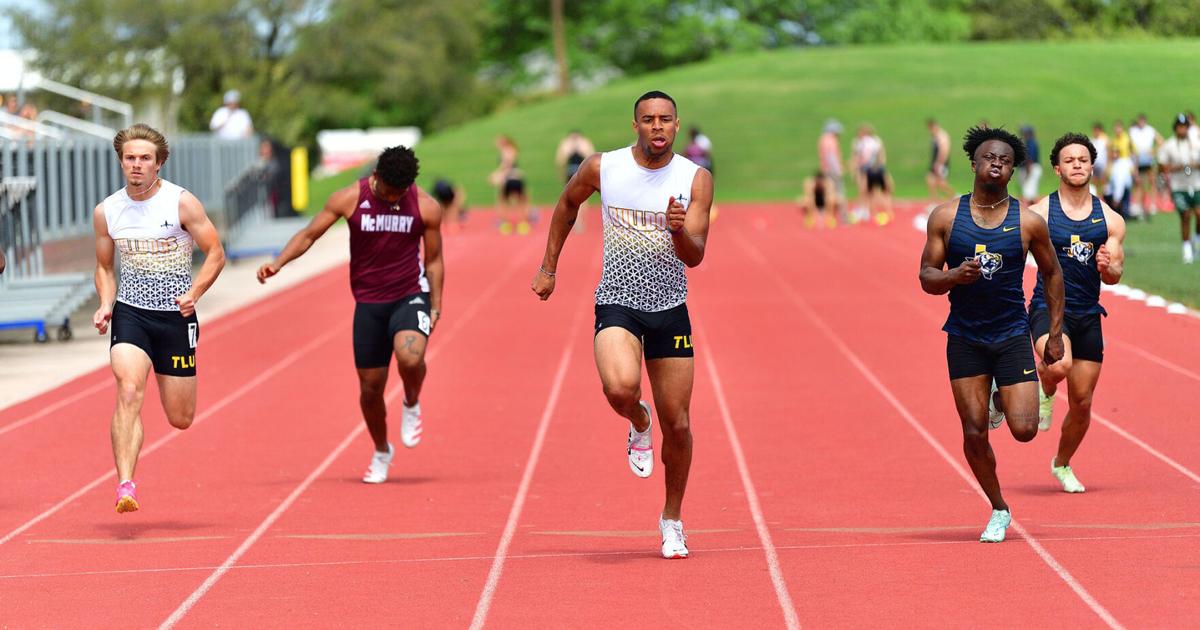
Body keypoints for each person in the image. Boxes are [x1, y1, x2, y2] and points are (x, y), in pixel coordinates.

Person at [531, 90, 713, 559]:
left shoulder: (696, 179)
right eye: (648, 119)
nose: (657, 126)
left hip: (670, 308)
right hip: (619, 301)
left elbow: (694, 256)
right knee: (619, 389)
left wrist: (676, 230)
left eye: (666, 119)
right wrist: (549, 266)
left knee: (679, 423)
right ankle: (637, 420)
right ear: (635, 125)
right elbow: (566, 205)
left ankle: (672, 520)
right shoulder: (603, 167)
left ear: (677, 126)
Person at [257, 146, 444, 483]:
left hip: (409, 294)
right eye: (389, 191)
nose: (394, 197)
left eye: (401, 192)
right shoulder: (349, 199)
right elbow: (310, 234)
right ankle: (381, 450)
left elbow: (433, 260)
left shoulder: (426, 206)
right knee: (371, 388)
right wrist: (278, 262)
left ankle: (411, 402)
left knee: (411, 358)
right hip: (369, 303)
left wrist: (436, 302)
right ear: (376, 177)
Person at [918, 125, 1064, 543]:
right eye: (989, 157)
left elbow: (1053, 275)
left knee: (1024, 430)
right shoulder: (946, 217)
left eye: (1004, 159)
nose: (996, 163)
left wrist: (1054, 334)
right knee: (973, 432)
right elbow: (926, 276)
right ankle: (999, 508)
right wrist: (953, 277)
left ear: (1013, 169)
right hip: (964, 337)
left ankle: (1002, 397)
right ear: (974, 162)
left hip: (1011, 334)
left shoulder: (1029, 221)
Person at [93, 124, 227, 513]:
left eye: (145, 158)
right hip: (131, 314)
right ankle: (125, 485)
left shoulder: (181, 203)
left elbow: (215, 252)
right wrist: (105, 303)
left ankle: (128, 477)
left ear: (159, 163)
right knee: (129, 390)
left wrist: (195, 293)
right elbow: (103, 267)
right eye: (130, 158)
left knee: (181, 417)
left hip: (174, 318)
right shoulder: (107, 211)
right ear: (121, 161)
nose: (137, 165)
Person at [1024, 132, 1126, 493]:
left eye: (1083, 159)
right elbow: (1011, 258)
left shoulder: (1110, 220)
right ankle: (1047, 387)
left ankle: (1062, 464)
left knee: (1083, 402)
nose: (1077, 165)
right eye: (1069, 160)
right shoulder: (1039, 213)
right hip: (1047, 308)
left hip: (1087, 314)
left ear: (1092, 166)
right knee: (1060, 365)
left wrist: (1107, 267)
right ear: (1057, 168)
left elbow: (1115, 276)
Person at [1157, 114, 1200, 263]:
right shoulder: (1169, 145)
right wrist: (1177, 167)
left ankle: (1197, 239)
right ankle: (1187, 248)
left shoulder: (1196, 143)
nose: (1182, 130)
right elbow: (1162, 166)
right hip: (1178, 186)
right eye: (1179, 127)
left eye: (1184, 127)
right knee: (1186, 215)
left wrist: (1194, 165)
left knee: (1199, 214)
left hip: (1196, 184)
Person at [850, 123, 893, 225]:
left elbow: (860, 157)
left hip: (869, 169)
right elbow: (881, 156)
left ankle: (868, 211)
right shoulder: (871, 141)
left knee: (868, 191)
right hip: (872, 169)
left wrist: (854, 169)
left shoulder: (866, 142)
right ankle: (870, 210)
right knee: (870, 191)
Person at [555, 130, 596, 232]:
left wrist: (561, 173)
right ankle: (578, 221)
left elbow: (560, 160)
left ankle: (575, 221)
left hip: (571, 172)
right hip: (581, 171)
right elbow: (592, 157)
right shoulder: (584, 143)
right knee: (583, 199)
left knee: (571, 198)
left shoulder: (566, 143)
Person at [489, 135, 529, 235]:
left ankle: (507, 224)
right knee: (521, 200)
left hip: (509, 179)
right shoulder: (512, 150)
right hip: (516, 177)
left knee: (504, 201)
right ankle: (522, 224)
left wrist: (497, 175)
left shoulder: (507, 151)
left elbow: (507, 165)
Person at [1129, 113, 1162, 217]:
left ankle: (1152, 204)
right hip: (1137, 160)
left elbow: (1161, 141)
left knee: (1151, 181)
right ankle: (1138, 204)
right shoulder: (1133, 130)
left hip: (1148, 159)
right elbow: (1129, 143)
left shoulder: (1150, 130)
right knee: (1138, 183)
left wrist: (1153, 150)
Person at [818, 119, 846, 224]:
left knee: (829, 193)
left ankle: (828, 218)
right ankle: (843, 218)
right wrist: (838, 170)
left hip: (825, 170)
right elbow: (832, 157)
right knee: (839, 193)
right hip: (833, 171)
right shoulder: (831, 141)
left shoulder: (822, 139)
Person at [1109, 120, 1134, 218]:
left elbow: (1133, 152)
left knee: (1125, 185)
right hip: (1117, 164)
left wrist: (1134, 167)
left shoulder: (1127, 139)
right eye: (1116, 128)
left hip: (1126, 164)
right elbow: (1111, 153)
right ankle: (1118, 209)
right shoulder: (1114, 140)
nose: (1117, 130)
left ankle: (1124, 209)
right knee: (1116, 184)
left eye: (1119, 128)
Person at [926, 118, 954, 201]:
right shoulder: (935, 136)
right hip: (936, 162)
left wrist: (939, 164)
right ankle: (934, 199)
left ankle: (954, 195)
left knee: (940, 183)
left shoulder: (942, 136)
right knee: (930, 179)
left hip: (941, 163)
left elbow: (944, 151)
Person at [1018, 126, 1043, 206]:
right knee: (1030, 192)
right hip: (1031, 168)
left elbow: (1030, 159)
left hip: (1030, 168)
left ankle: (1030, 212)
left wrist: (1028, 171)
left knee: (1028, 194)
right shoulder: (1032, 142)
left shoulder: (1030, 143)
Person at [1089, 122, 1109, 199]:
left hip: (1103, 165)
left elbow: (1108, 153)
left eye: (1098, 130)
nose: (1096, 132)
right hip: (1094, 165)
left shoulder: (1105, 140)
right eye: (1095, 130)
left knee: (1103, 183)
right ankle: (1096, 198)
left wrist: (1108, 165)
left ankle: (1104, 199)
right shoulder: (1091, 140)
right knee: (1094, 183)